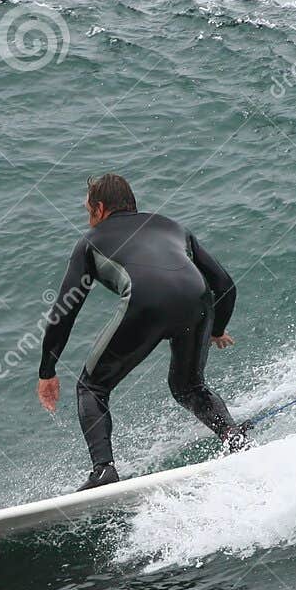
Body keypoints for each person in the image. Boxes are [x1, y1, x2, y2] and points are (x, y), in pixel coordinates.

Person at [36, 173, 247, 490]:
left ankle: (104, 470)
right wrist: (216, 327)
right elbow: (225, 285)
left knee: (92, 388)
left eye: (88, 210)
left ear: (101, 208)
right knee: (188, 386)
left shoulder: (89, 244)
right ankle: (234, 438)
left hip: (145, 301)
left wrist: (47, 370)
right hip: (198, 298)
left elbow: (65, 309)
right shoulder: (173, 226)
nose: (88, 218)